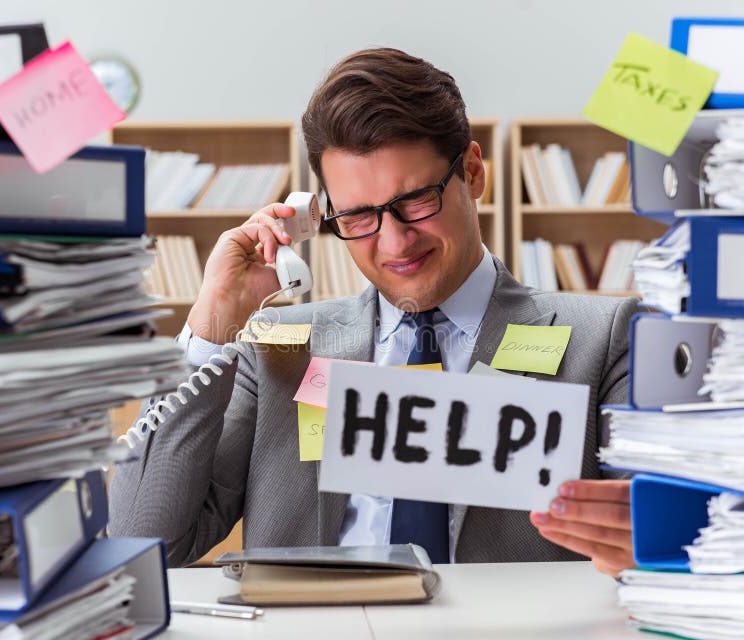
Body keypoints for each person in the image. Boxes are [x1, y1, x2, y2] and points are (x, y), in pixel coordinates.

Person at [109, 47, 636, 577]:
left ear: (473, 174)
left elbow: (653, 542)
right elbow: (143, 540)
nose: (395, 241)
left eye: (415, 201)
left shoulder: (601, 337)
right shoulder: (276, 346)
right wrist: (213, 318)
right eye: (359, 216)